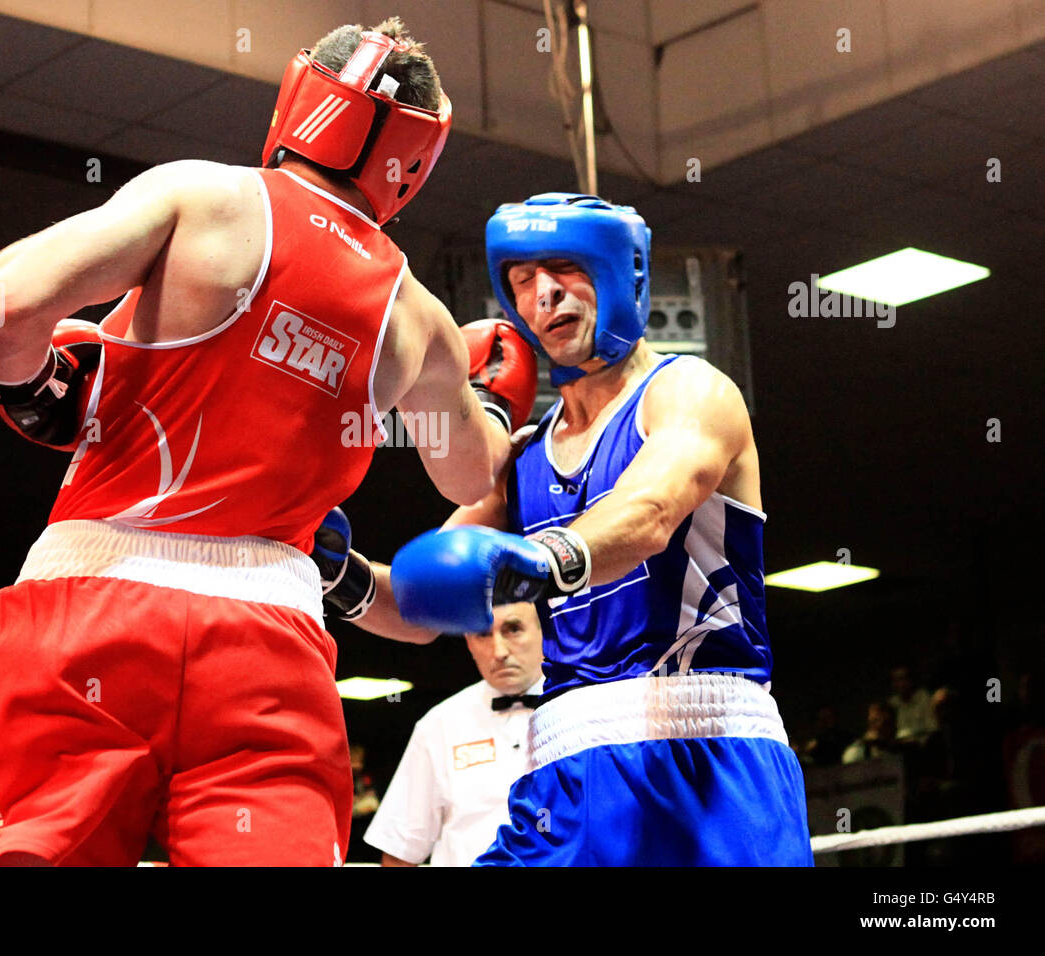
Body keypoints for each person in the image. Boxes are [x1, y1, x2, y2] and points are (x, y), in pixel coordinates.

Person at [0, 18, 536, 867]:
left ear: (300, 98)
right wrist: (486, 399)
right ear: (415, 160)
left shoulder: (203, 197)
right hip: (266, 636)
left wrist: (32, 390)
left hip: (90, 608)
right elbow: (468, 476)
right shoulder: (419, 321)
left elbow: (7, 307)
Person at [328, 193, 814, 865]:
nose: (544, 296)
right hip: (564, 773)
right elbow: (420, 604)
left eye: (564, 269)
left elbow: (650, 512)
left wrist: (535, 559)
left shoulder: (692, 392)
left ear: (623, 274)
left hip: (702, 754)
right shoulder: (523, 457)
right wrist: (337, 572)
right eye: (523, 280)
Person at [364, 603, 544, 866]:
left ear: (545, 631)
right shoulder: (439, 724)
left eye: (513, 629)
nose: (500, 651)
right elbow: (400, 851)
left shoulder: (584, 714)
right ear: (468, 642)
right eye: (483, 634)